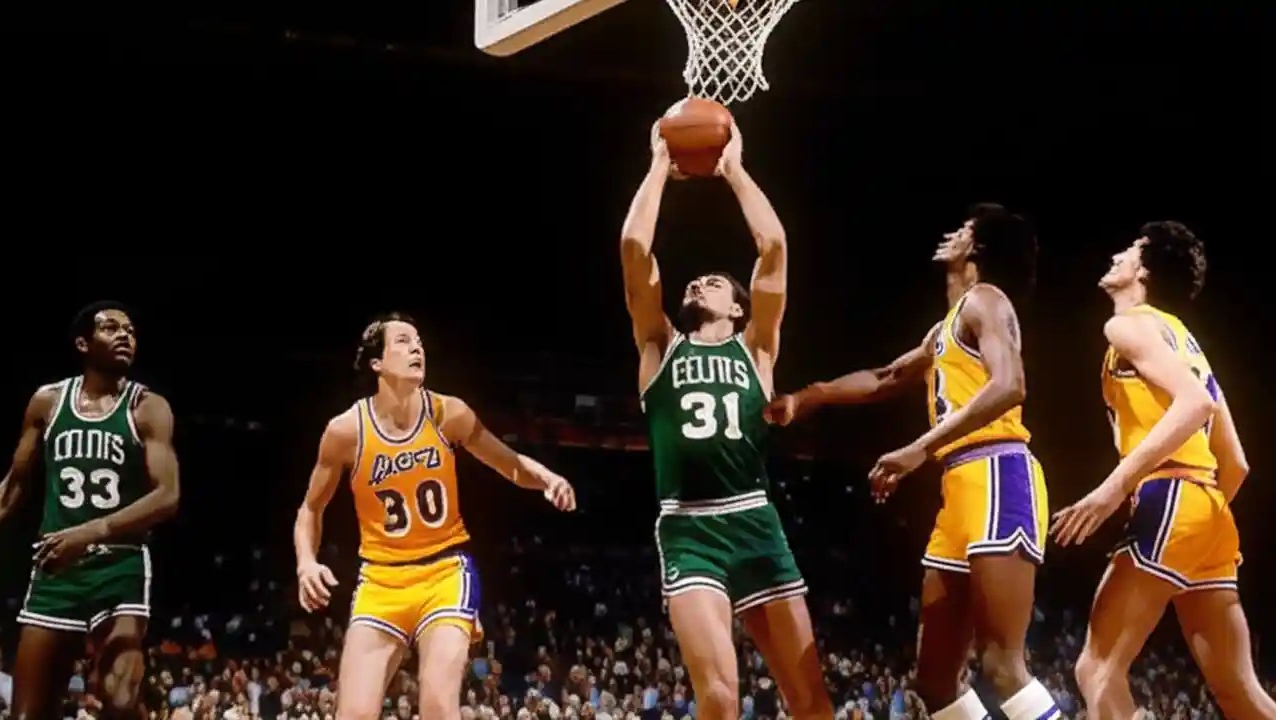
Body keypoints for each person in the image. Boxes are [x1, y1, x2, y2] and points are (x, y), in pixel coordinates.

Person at [766, 205, 1059, 720]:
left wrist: (918, 447)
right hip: (959, 487)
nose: (953, 232)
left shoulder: (986, 300)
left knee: (1003, 666)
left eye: (966, 230)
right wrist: (806, 397)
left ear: (980, 250)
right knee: (935, 679)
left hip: (998, 471)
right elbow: (884, 378)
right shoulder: (944, 328)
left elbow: (1010, 384)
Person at [619, 120, 833, 720]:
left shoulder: (756, 349)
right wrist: (659, 165)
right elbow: (635, 252)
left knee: (810, 701)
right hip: (688, 529)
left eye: (713, 282)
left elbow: (774, 249)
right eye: (696, 279)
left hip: (754, 519)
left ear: (738, 308)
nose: (697, 281)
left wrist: (733, 169)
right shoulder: (659, 347)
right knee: (719, 696)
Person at [293, 312, 576, 720]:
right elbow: (310, 508)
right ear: (377, 363)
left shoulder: (448, 413)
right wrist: (306, 562)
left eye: (420, 342)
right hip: (380, 581)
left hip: (443, 572)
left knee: (438, 705)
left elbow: (507, 462)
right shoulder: (346, 431)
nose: (417, 349)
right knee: (352, 714)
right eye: (404, 342)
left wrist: (547, 477)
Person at [1052, 222, 1276, 719]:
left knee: (1096, 670)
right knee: (1240, 693)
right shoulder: (1184, 340)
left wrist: (1113, 490)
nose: (1115, 254)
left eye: (1129, 250)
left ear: (1145, 270)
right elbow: (1234, 460)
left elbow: (1193, 405)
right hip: (1210, 511)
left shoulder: (1125, 325)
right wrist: (1200, 524)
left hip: (1170, 494)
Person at [0, 300, 180, 720]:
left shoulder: (147, 407)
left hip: (120, 566)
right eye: (111, 327)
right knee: (27, 714)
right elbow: (12, 489)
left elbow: (167, 495)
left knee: (118, 701)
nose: (124, 335)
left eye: (130, 330)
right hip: (55, 572)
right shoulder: (47, 403)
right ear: (83, 343)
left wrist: (89, 533)